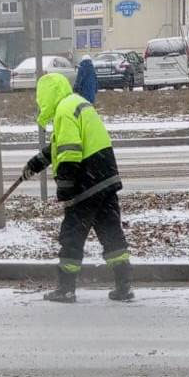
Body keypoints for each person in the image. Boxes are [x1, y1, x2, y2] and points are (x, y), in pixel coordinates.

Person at [21, 73, 132, 303]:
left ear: (47, 95)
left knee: (72, 236)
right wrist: (35, 165)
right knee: (111, 233)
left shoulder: (63, 110)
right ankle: (123, 286)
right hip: (105, 179)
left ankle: (66, 289)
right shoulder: (78, 103)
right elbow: (57, 147)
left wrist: (66, 190)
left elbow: (70, 152)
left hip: (86, 183)